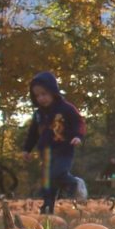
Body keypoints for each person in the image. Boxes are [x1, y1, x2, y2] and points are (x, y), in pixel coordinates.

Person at [22, 70, 86, 214]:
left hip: (64, 149)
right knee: (47, 182)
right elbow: (32, 133)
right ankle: (47, 207)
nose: (41, 98)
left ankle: (76, 184)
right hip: (45, 152)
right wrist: (27, 149)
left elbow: (79, 122)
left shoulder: (66, 108)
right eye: (37, 95)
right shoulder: (38, 114)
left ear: (52, 91)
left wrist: (77, 136)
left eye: (44, 94)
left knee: (58, 173)